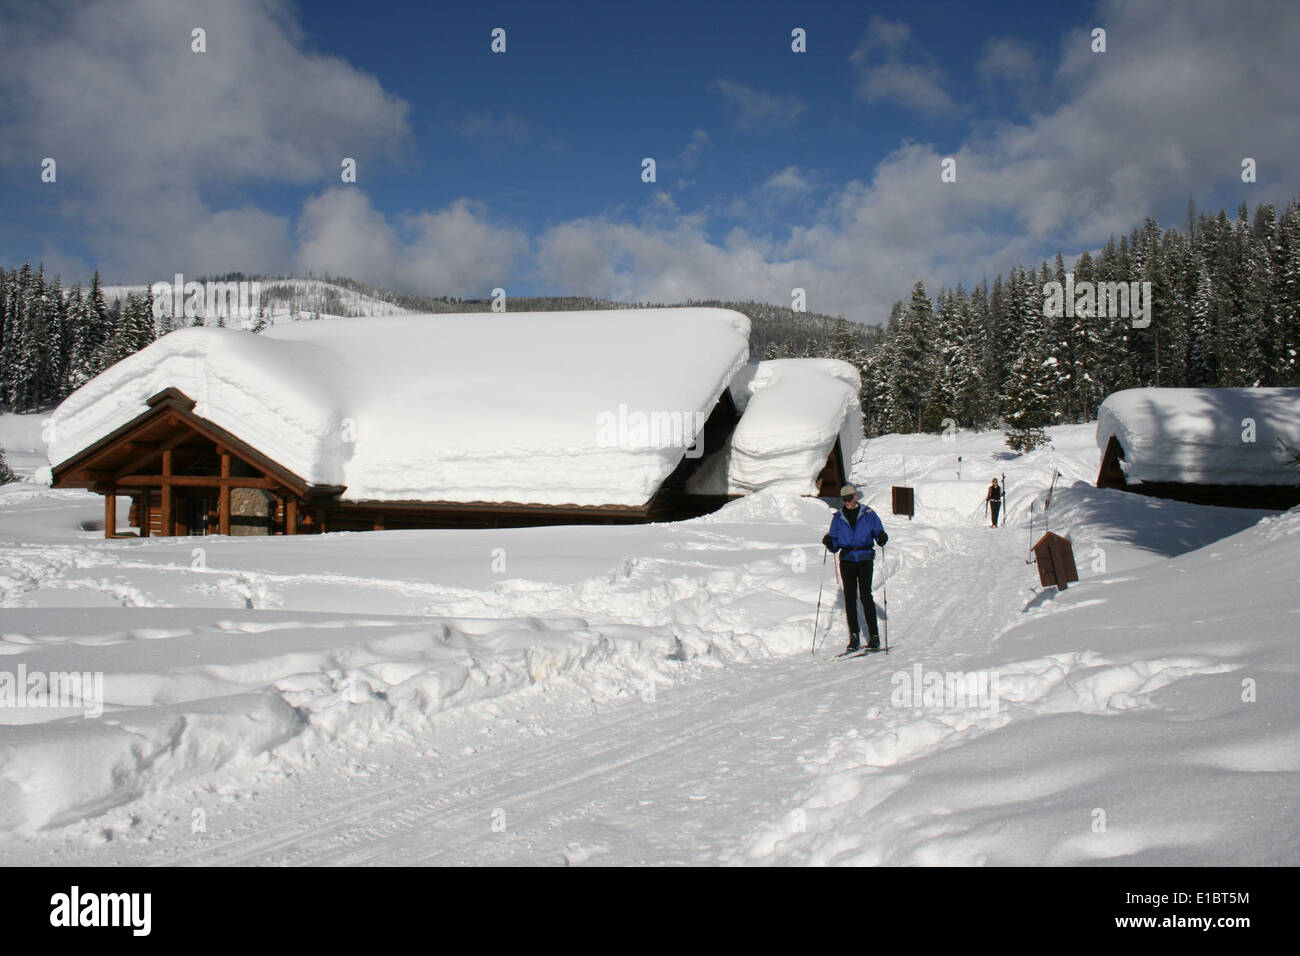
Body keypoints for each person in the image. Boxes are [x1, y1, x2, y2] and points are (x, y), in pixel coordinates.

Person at [821, 484, 888, 652]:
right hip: (848, 560)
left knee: (866, 595)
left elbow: (878, 532)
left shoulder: (868, 514)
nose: (848, 502)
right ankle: (854, 636)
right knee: (850, 598)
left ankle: (874, 636)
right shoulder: (838, 517)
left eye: (850, 499)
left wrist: (881, 537)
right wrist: (829, 542)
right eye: (845, 500)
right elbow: (835, 544)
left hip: (865, 558)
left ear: (855, 496)